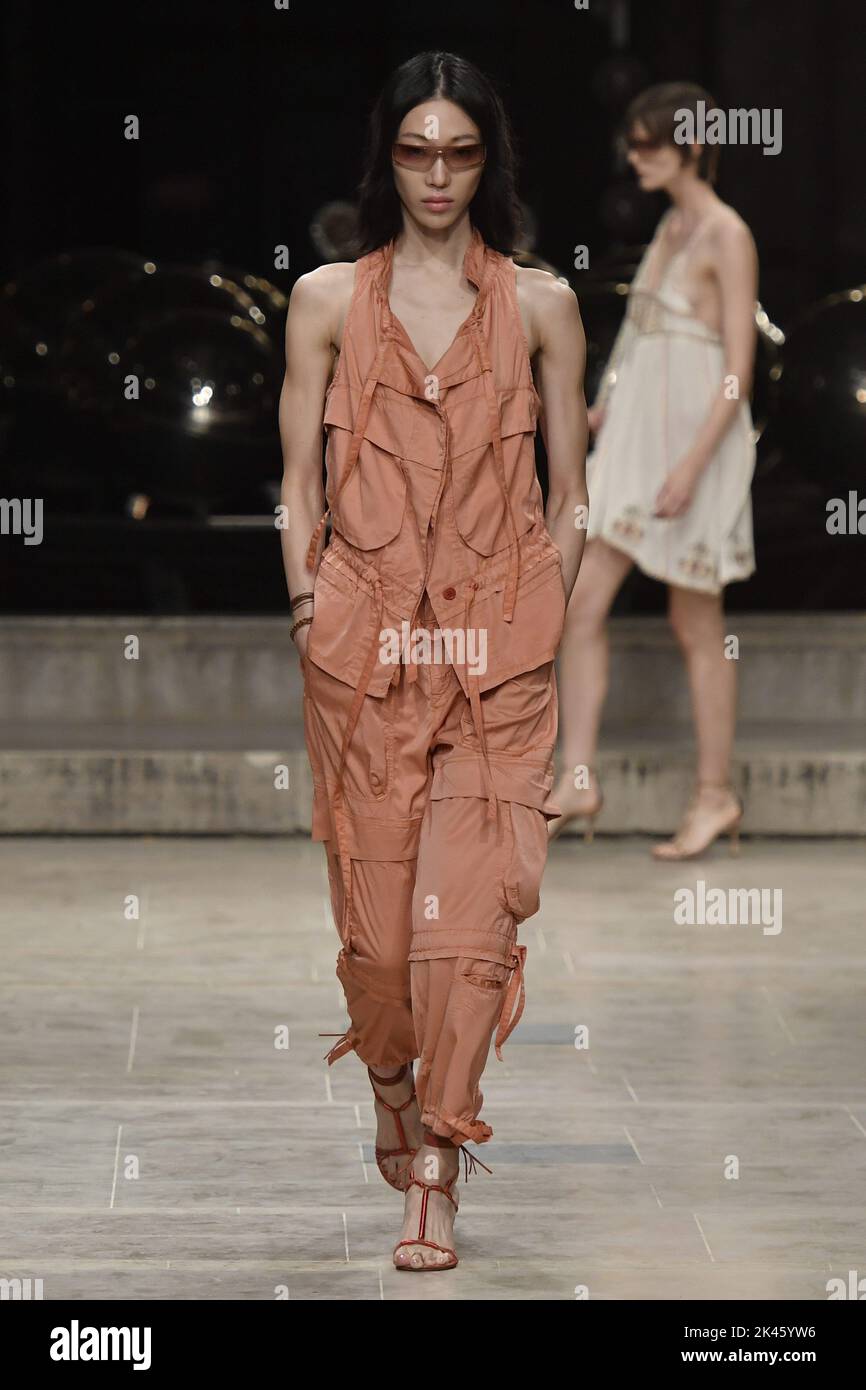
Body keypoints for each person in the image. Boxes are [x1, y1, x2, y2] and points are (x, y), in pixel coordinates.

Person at [278, 51, 587, 1270]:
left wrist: (544, 600)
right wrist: (308, 601)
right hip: (362, 650)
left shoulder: (542, 304)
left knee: (469, 927)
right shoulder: (323, 301)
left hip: (496, 651)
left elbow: (572, 486)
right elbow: (295, 479)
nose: (438, 173)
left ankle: (438, 1169)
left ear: (486, 160)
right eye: (417, 151)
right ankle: (392, 1085)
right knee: (379, 942)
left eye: (459, 152)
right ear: (387, 159)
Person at [547, 82, 758, 859]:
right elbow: (639, 336)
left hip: (692, 442)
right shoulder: (671, 226)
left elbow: (739, 368)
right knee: (580, 603)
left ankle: (714, 795)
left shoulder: (726, 235)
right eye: (632, 144)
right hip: (637, 436)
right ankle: (576, 775)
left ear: (691, 147)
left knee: (694, 620)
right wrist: (604, 407)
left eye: (649, 145)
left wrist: (692, 466)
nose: (634, 159)